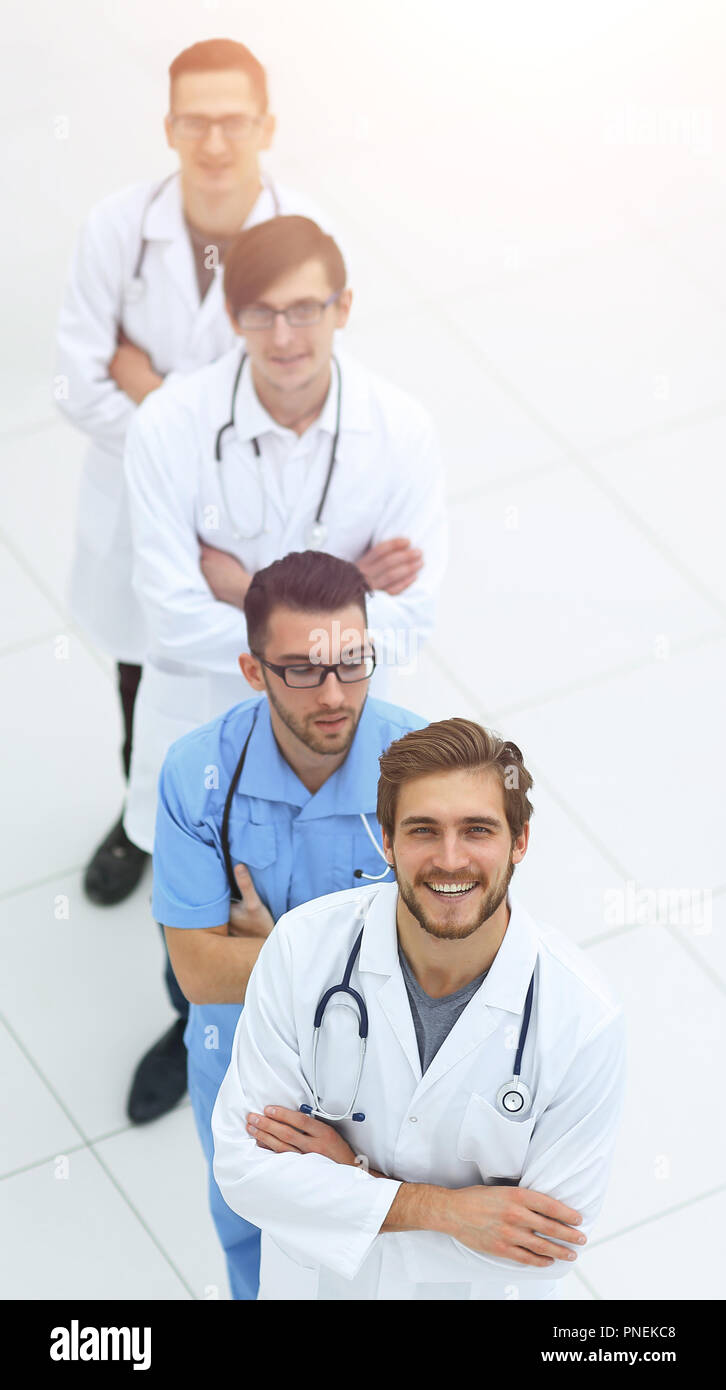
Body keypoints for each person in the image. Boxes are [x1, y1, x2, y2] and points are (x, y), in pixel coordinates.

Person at [123, 214, 447, 1121]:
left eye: (307, 309)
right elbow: (169, 614)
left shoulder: (403, 431)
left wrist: (242, 584)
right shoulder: (170, 427)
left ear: (345, 307)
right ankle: (191, 1022)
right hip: (204, 721)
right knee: (197, 910)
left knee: (344, 905)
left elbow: (411, 624)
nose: (287, 337)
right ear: (232, 317)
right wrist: (344, 599)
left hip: (340, 744)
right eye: (262, 313)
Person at [211, 718, 627, 1301]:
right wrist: (447, 1211)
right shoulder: (304, 948)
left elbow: (544, 1254)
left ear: (520, 841)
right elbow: (245, 1171)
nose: (450, 859)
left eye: (477, 829)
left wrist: (353, 1184)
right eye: (423, 830)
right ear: (387, 841)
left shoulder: (583, 1020)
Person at [55, 37, 330, 912]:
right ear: (169, 127)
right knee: (140, 666)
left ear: (267, 125)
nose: (216, 142)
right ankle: (139, 814)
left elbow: (294, 393)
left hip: (252, 516)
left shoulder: (302, 236)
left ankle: (232, 837)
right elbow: (75, 382)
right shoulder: (117, 229)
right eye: (197, 122)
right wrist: (199, 413)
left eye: (234, 122)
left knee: (240, 684)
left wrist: (149, 385)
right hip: (136, 507)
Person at [151, 552, 428, 1300]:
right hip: (244, 1059)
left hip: (387, 1064)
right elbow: (200, 973)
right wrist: (368, 951)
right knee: (250, 1228)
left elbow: (451, 956)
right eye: (303, 671)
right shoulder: (196, 773)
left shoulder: (421, 764)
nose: (335, 695)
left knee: (381, 1234)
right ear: (252, 670)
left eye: (353, 663)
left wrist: (271, 948)